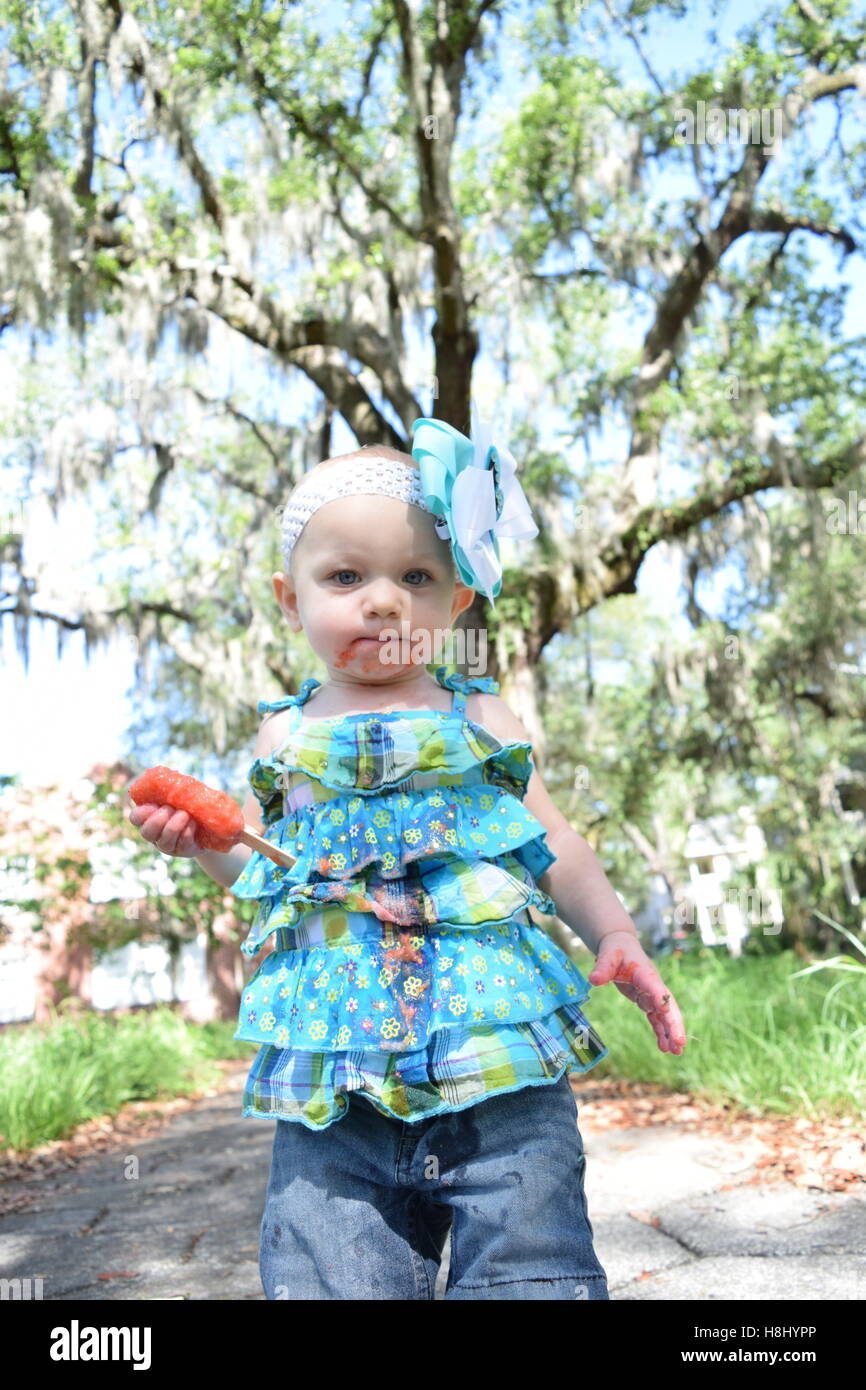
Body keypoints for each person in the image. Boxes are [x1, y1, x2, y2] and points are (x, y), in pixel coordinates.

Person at [128, 413, 687, 1300]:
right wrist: (210, 848)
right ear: (290, 598)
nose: (383, 600)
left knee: (531, 1263)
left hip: (493, 1052)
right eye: (346, 576)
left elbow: (555, 844)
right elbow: (275, 878)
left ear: (456, 601)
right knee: (330, 1270)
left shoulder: (479, 720)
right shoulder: (286, 734)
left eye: (416, 576)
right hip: (333, 1076)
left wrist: (614, 932)